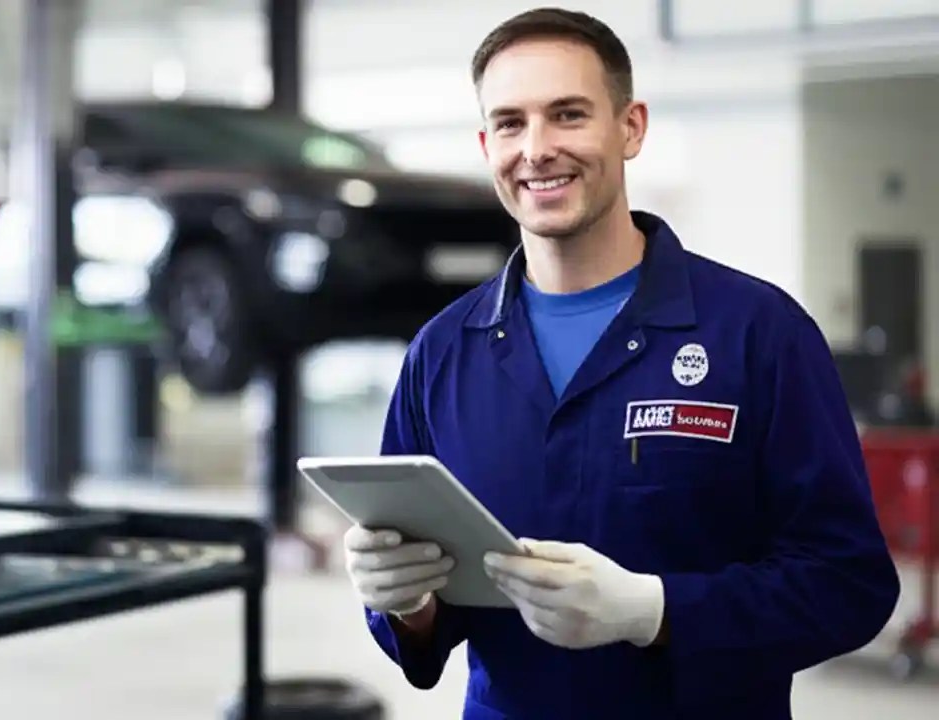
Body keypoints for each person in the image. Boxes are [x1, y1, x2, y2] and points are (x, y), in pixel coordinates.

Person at [342, 7, 900, 719]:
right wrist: (405, 602)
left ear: (630, 127)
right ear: (487, 144)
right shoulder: (443, 355)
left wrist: (655, 610)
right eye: (510, 123)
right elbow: (428, 624)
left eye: (568, 114)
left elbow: (848, 585)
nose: (536, 149)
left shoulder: (759, 334)